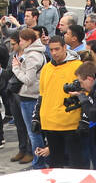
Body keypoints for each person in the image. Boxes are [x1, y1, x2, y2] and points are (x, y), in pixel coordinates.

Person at [36, 35, 84, 168]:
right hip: (49, 122)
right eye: (51, 50)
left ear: (65, 48)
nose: (54, 53)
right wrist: (37, 117)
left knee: (76, 163)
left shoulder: (77, 66)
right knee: (55, 165)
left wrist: (84, 119)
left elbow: (85, 93)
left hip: (70, 123)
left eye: (57, 49)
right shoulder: (46, 68)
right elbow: (42, 94)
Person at [11, 27, 48, 166]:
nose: (19, 43)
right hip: (32, 95)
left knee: (33, 132)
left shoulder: (32, 56)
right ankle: (40, 161)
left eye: (21, 40)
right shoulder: (36, 53)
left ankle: (39, 163)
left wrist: (16, 68)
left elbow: (28, 80)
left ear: (28, 41)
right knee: (35, 131)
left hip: (30, 96)